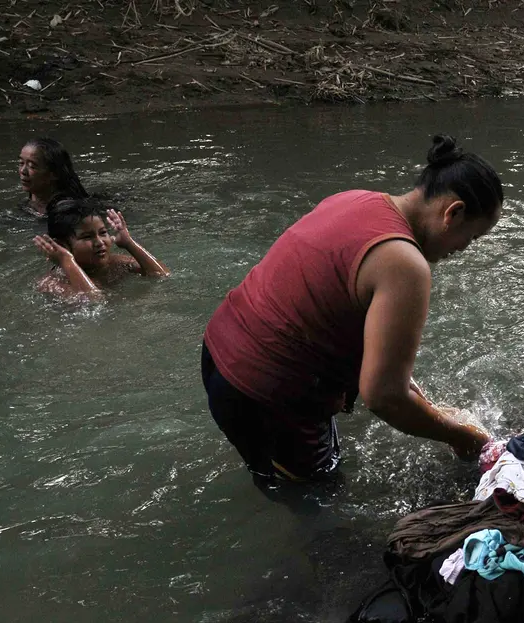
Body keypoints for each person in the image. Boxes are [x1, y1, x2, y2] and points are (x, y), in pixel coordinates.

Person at [201, 134, 500, 495]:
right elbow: (382, 397)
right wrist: (460, 435)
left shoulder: (356, 199)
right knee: (319, 495)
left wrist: (413, 394)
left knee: (268, 469)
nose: (462, 250)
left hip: (219, 357)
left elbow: (324, 305)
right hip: (269, 392)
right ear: (453, 213)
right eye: (471, 238)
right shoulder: (406, 264)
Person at [33, 197, 170, 298]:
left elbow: (162, 276)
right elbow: (94, 302)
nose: (99, 242)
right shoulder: (53, 284)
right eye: (87, 237)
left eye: (103, 233)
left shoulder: (116, 264)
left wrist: (129, 243)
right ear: (62, 245)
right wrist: (66, 260)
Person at [19, 137, 89, 217]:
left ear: (54, 174)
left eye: (32, 166)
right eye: (21, 163)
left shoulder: (68, 211)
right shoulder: (25, 204)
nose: (23, 171)